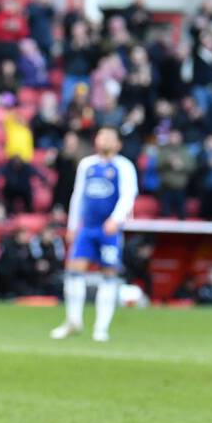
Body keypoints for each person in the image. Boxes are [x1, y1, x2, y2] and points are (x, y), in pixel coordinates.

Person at [51, 126, 139, 342]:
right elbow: (78, 195)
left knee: (108, 275)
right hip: (87, 228)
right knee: (73, 271)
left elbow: (129, 194)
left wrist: (116, 219)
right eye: (102, 135)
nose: (105, 139)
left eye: (110, 136)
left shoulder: (124, 166)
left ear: (118, 143)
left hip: (108, 229)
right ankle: (73, 320)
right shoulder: (87, 165)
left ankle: (101, 327)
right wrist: (72, 225)